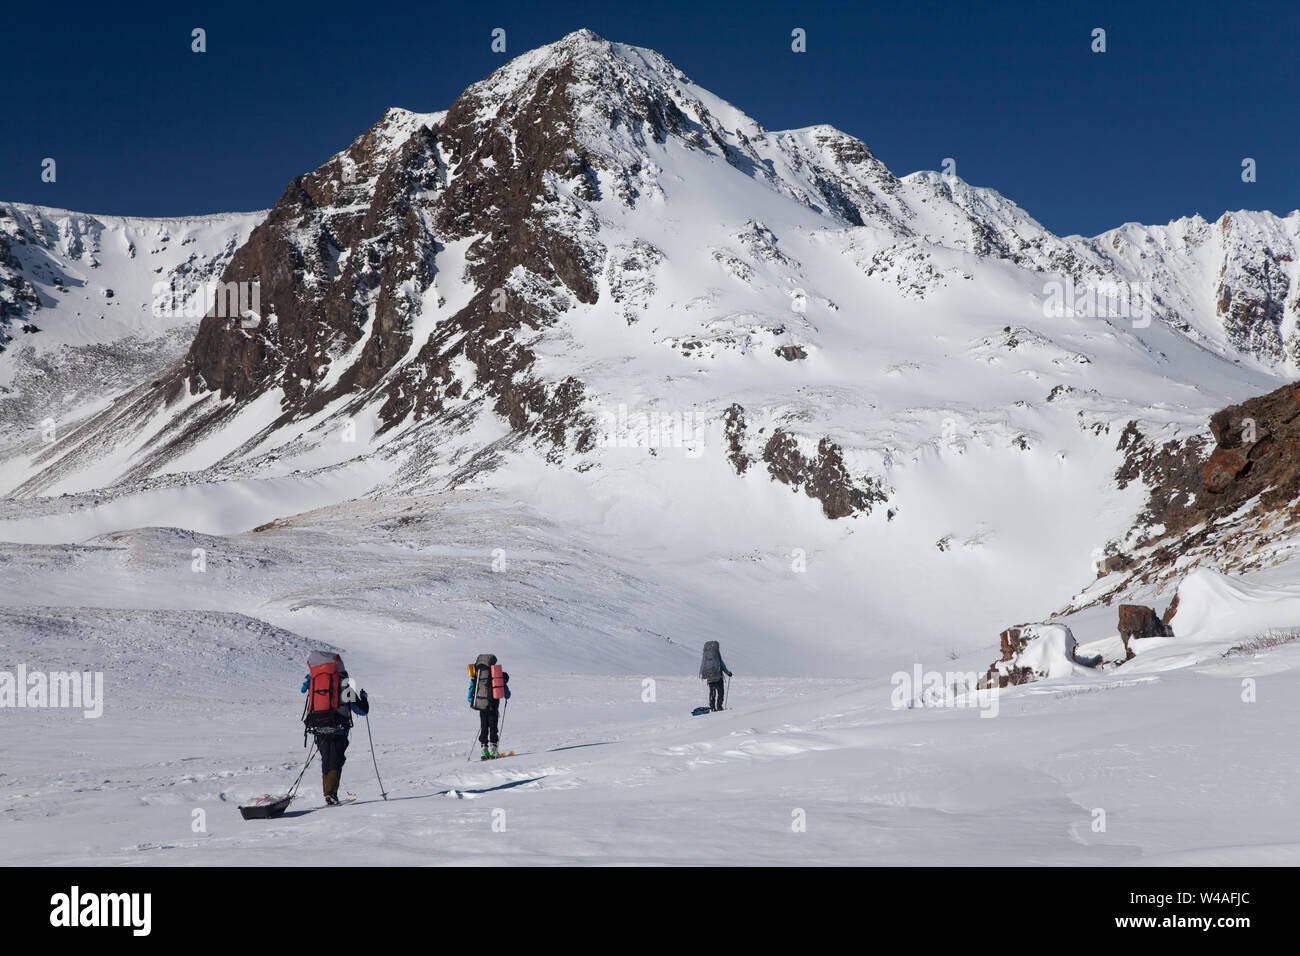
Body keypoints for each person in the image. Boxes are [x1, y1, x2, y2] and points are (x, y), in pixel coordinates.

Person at [301, 653, 369, 805]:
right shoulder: (343, 682)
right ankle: (330, 794)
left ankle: (328, 794)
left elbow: (302, 691)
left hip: (318, 726)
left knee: (327, 760)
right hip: (338, 727)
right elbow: (361, 710)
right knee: (336, 761)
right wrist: (364, 698)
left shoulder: (313, 680)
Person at [468, 654, 510, 758]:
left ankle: (484, 750)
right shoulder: (497, 676)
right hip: (493, 707)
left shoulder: (479, 676)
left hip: (482, 706)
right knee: (493, 728)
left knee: (484, 727)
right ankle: (493, 750)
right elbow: (507, 695)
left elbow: (472, 691)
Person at [699, 641, 733, 711]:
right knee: (720, 693)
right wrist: (729, 673)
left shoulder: (707, 659)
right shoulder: (718, 659)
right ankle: (719, 707)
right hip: (718, 678)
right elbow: (723, 667)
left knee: (712, 693)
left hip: (710, 679)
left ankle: (712, 707)